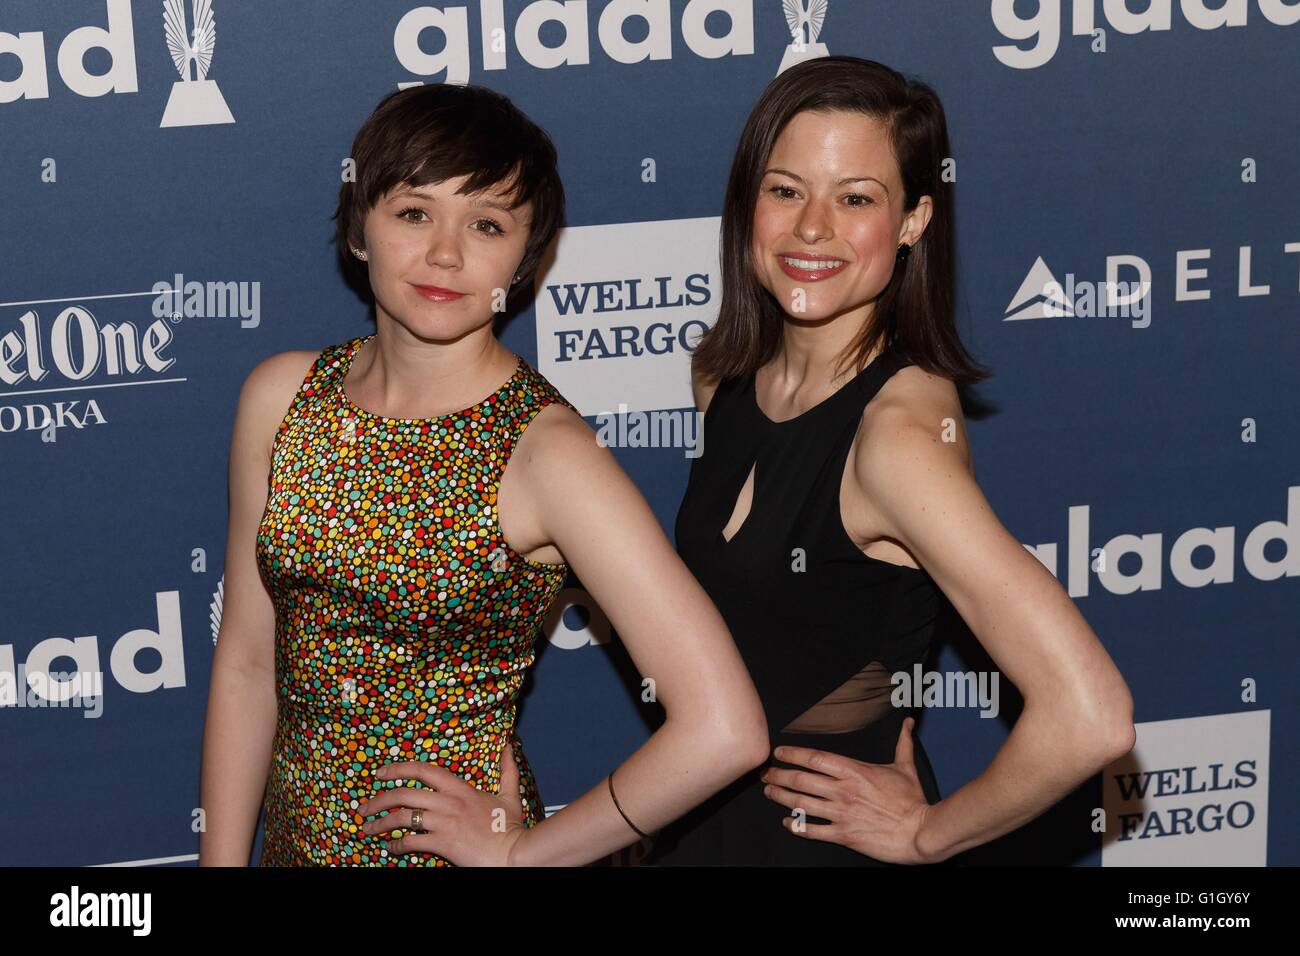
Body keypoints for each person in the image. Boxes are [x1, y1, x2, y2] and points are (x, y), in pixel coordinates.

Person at [198, 83, 769, 867]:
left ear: (525, 260)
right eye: (414, 213)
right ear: (360, 228)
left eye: (487, 224)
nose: (445, 254)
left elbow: (726, 728)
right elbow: (247, 661)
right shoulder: (282, 398)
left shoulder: (547, 454)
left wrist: (522, 854)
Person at [649, 57, 1136, 866]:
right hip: (705, 823)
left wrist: (924, 835)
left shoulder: (897, 440)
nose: (812, 228)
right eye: (785, 190)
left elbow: (1092, 713)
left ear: (913, 221)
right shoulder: (725, 374)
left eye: (856, 199)